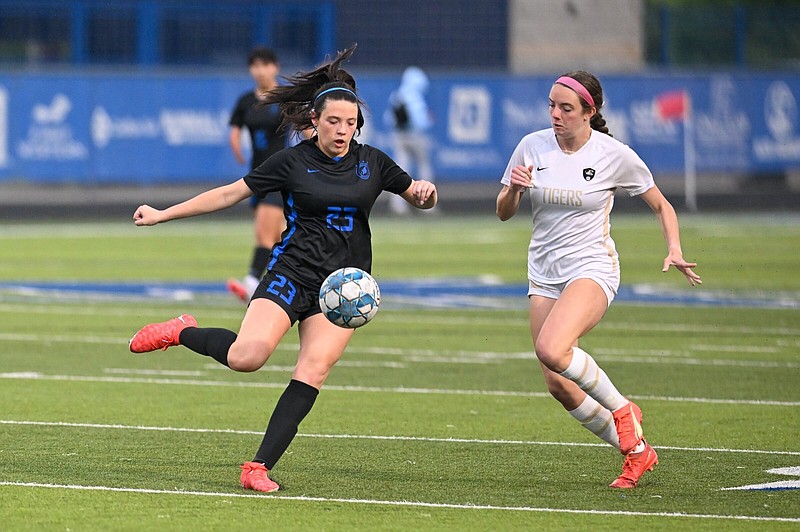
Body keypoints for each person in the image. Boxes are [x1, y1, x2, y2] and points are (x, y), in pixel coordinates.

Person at [128, 45, 437, 493]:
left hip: (343, 288)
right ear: (314, 119)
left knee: (313, 370)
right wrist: (162, 214)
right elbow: (228, 194)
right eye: (334, 121)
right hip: (292, 272)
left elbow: (416, 195)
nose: (342, 131)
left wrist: (425, 194)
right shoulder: (292, 162)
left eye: (350, 123)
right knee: (246, 357)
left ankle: (258, 466)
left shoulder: (374, 163)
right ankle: (180, 331)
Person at [496, 71, 701, 489]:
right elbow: (503, 211)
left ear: (590, 112)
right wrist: (514, 190)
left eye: (566, 108)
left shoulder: (614, 154)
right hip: (544, 274)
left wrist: (674, 248)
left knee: (553, 348)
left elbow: (661, 206)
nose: (556, 114)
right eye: (552, 105)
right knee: (558, 385)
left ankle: (623, 411)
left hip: (593, 268)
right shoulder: (531, 146)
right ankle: (638, 452)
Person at [226, 47, 287, 302]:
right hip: (256, 174)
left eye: (265, 65)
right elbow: (235, 129)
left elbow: (306, 127)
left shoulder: (284, 97)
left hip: (279, 174)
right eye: (255, 65)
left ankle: (252, 281)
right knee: (281, 235)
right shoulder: (246, 101)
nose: (259, 70)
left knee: (264, 231)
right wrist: (237, 149)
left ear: (275, 67)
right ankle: (296, 279)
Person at [384, 66, 434, 214]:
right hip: (415, 136)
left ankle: (398, 206)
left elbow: (388, 119)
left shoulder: (397, 95)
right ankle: (427, 204)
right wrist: (428, 120)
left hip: (399, 136)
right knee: (424, 166)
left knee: (401, 170)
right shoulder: (415, 97)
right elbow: (421, 122)